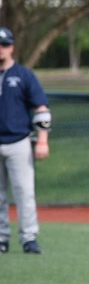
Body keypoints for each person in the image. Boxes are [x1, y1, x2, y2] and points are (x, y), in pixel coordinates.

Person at [0, 26, 50, 255]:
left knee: (24, 192)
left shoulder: (23, 75)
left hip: (18, 142)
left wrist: (42, 140)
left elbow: (42, 109)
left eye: (4, 45)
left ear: (12, 47)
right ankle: (1, 238)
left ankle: (29, 238)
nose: (1, 49)